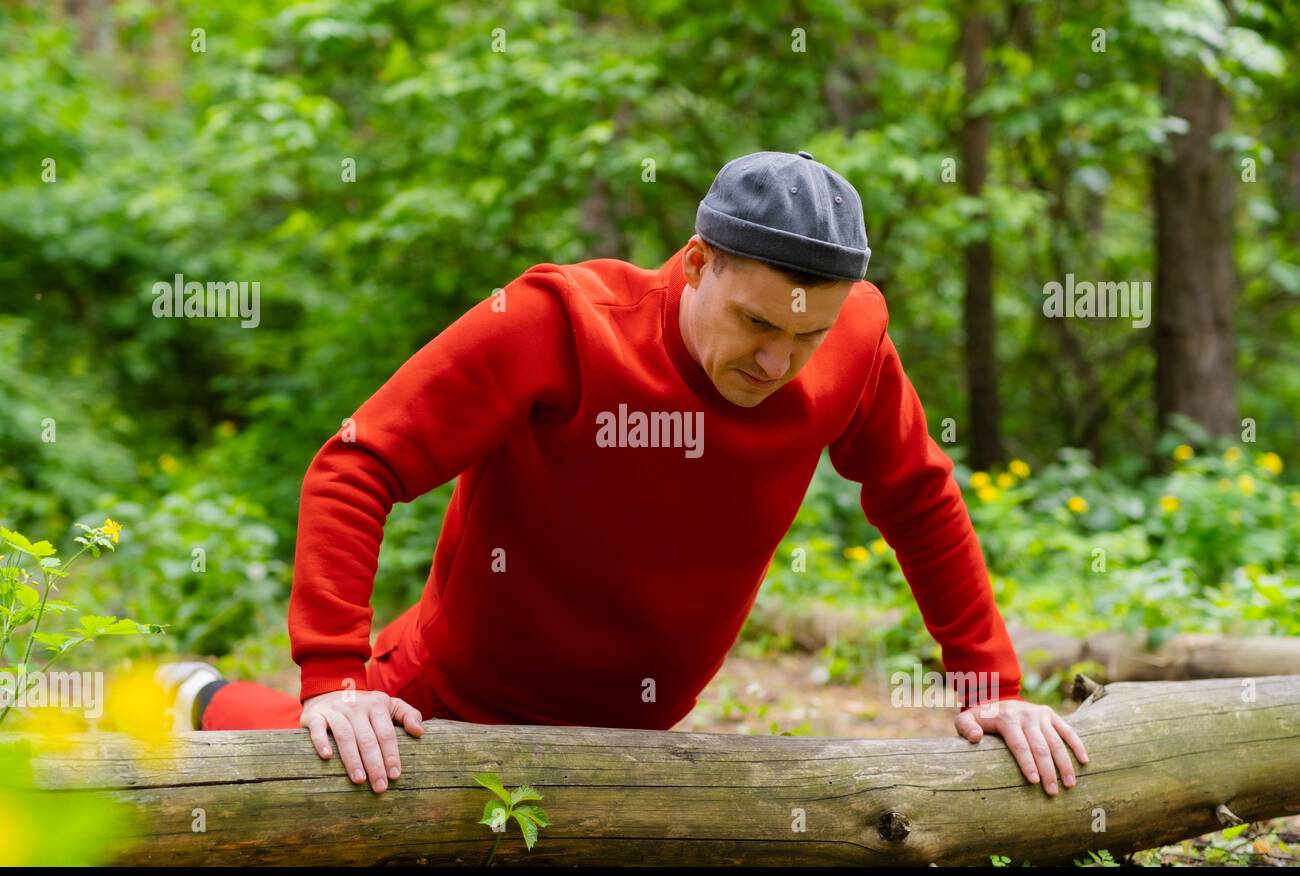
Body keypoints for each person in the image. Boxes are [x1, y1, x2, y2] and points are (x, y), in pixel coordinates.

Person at [158, 149, 1088, 797]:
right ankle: (190, 696)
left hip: (637, 732)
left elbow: (918, 496)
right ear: (695, 264)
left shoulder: (854, 343)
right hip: (453, 697)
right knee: (303, 759)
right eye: (759, 325)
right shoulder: (560, 322)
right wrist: (333, 677)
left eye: (807, 335)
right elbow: (358, 462)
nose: (780, 363)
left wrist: (991, 691)